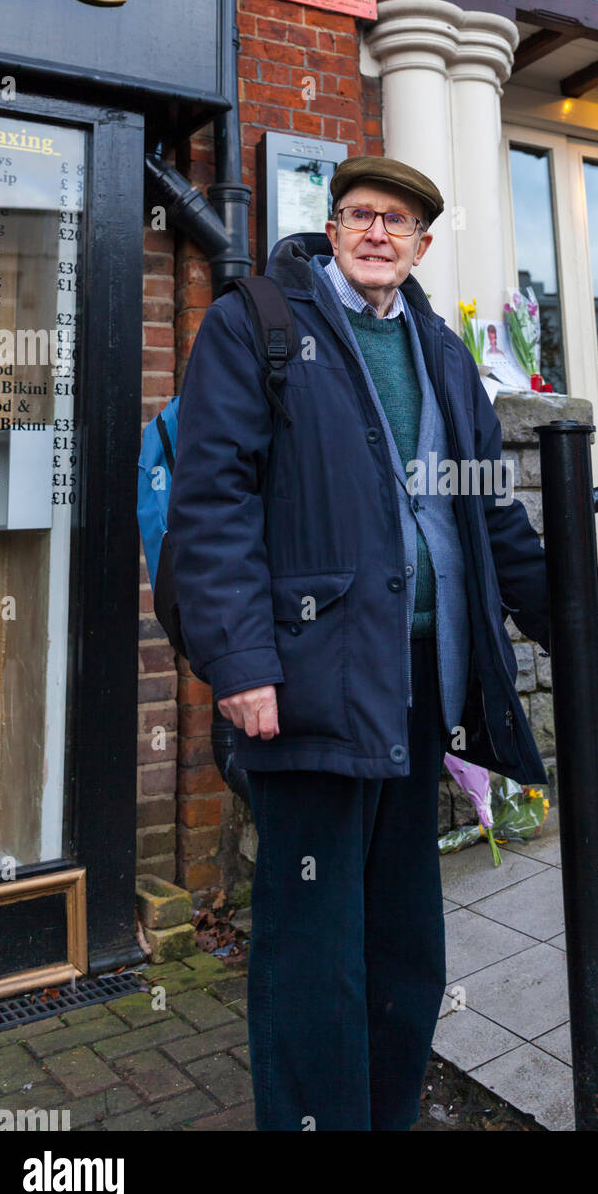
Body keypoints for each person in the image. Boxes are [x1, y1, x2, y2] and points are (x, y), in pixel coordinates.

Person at [166, 154, 551, 1132]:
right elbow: (214, 506)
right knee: (311, 944)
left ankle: (384, 1116)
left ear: (423, 243)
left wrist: (571, 614)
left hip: (424, 679)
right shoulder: (258, 325)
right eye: (359, 214)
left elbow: (486, 512)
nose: (378, 231)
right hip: (308, 682)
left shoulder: (442, 352)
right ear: (331, 229)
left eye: (400, 219)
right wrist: (243, 660)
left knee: (405, 932)